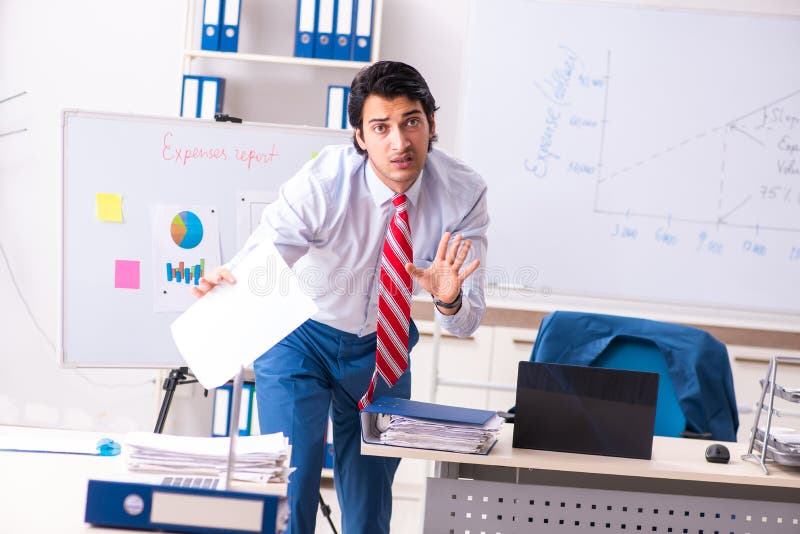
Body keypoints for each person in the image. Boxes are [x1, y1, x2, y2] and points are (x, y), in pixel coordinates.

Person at [192, 61, 488, 534]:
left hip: (384, 347)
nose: (399, 142)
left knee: (369, 512)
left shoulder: (463, 193)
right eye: (381, 127)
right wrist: (233, 279)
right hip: (300, 339)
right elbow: (270, 251)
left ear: (432, 124)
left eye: (411, 121)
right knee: (291, 491)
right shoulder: (324, 181)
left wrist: (449, 300)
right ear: (360, 136)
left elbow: (465, 320)